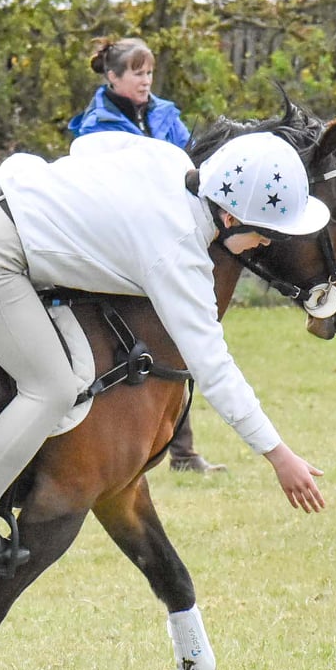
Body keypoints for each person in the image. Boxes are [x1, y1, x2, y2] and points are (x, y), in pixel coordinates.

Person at [0, 128, 328, 575]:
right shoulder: (178, 254)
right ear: (230, 219)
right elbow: (213, 368)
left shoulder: (170, 160)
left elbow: (89, 146)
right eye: (265, 235)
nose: (266, 244)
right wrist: (278, 454)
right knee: (53, 387)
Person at [67, 36, 218, 472]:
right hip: (125, 249)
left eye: (149, 72)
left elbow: (194, 168)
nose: (145, 81)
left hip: (171, 237)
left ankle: (183, 451)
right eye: (136, 72)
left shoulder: (167, 115)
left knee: (179, 340)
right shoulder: (95, 127)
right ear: (112, 77)